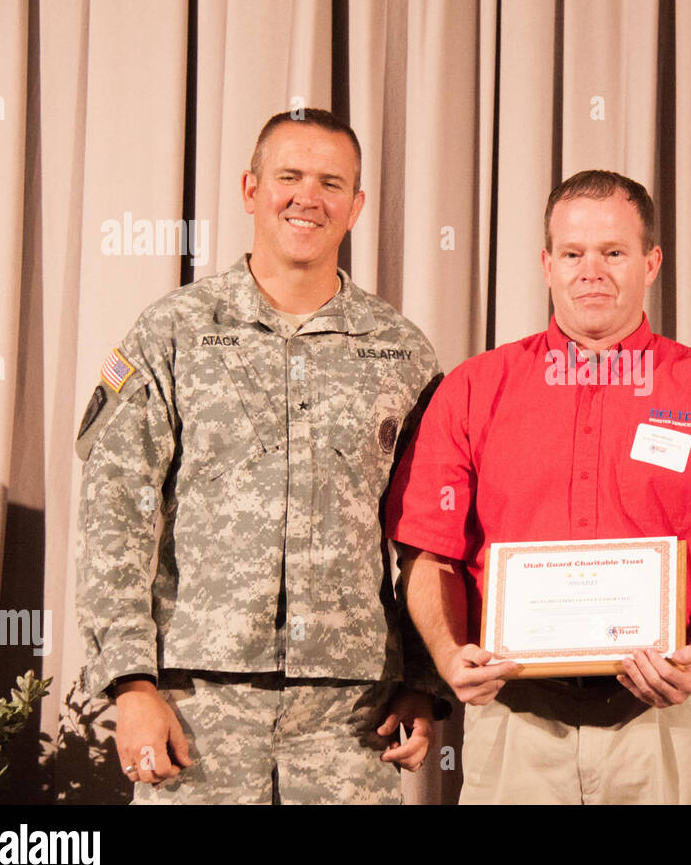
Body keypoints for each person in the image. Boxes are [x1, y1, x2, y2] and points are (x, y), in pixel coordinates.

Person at [385, 170, 691, 804]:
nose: (590, 271)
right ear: (547, 265)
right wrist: (446, 652)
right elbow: (428, 551)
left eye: (614, 252)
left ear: (652, 262)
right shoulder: (472, 389)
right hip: (511, 723)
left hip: (660, 723)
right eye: (572, 253)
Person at [75, 108, 443, 804]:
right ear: (250, 189)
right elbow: (115, 515)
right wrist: (131, 683)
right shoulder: (175, 330)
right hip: (197, 706)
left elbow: (428, 535)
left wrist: (423, 683)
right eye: (289, 176)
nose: (309, 197)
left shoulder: (399, 350)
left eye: (332, 182)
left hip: (351, 717)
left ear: (357, 206)